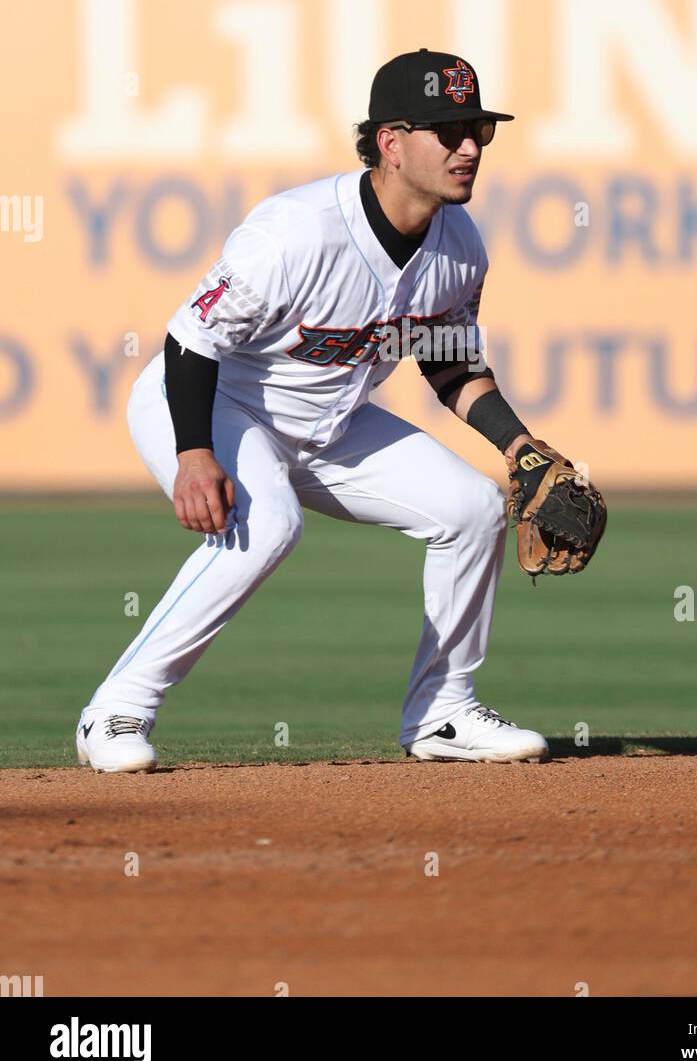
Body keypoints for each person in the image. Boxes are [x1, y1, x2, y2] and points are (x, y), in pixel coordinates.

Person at [76, 48, 560, 772]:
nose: (469, 147)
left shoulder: (460, 246)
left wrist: (522, 447)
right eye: (449, 130)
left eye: (479, 131)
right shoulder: (296, 231)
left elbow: (452, 363)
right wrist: (194, 454)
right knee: (268, 521)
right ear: (390, 144)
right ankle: (116, 711)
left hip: (329, 422)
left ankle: (444, 714)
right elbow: (191, 339)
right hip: (216, 401)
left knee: (472, 509)